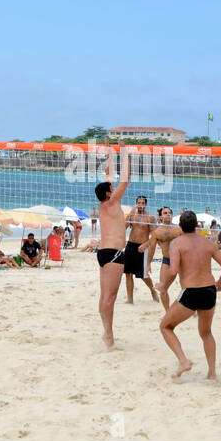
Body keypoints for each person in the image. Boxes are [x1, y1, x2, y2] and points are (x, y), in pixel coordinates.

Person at [157, 210, 221, 379]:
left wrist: (163, 287)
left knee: (165, 326)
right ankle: (212, 373)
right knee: (206, 333)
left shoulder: (177, 243)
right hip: (209, 291)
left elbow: (173, 270)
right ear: (197, 225)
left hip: (191, 292)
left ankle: (184, 361)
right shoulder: (208, 243)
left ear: (180, 227)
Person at [95, 145, 134, 349]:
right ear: (109, 194)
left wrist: (111, 152)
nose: (113, 189)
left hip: (103, 252)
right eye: (111, 189)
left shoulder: (104, 204)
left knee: (105, 297)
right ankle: (108, 334)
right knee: (109, 298)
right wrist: (125, 153)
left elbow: (109, 176)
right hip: (114, 254)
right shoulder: (112, 202)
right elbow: (125, 179)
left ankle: (106, 332)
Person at [141, 207, 181, 310]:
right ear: (160, 216)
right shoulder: (157, 232)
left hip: (180, 260)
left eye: (169, 212)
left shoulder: (179, 229)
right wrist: (148, 264)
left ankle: (191, 310)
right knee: (163, 288)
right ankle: (168, 312)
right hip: (167, 261)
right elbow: (152, 249)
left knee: (187, 287)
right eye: (165, 213)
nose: (168, 214)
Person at [123, 195, 158, 303]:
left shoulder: (150, 217)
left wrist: (146, 244)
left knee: (143, 275)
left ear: (146, 205)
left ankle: (153, 291)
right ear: (136, 204)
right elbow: (122, 228)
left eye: (143, 203)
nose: (141, 205)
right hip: (130, 246)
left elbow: (155, 236)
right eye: (139, 203)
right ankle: (130, 299)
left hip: (142, 248)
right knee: (128, 273)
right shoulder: (132, 215)